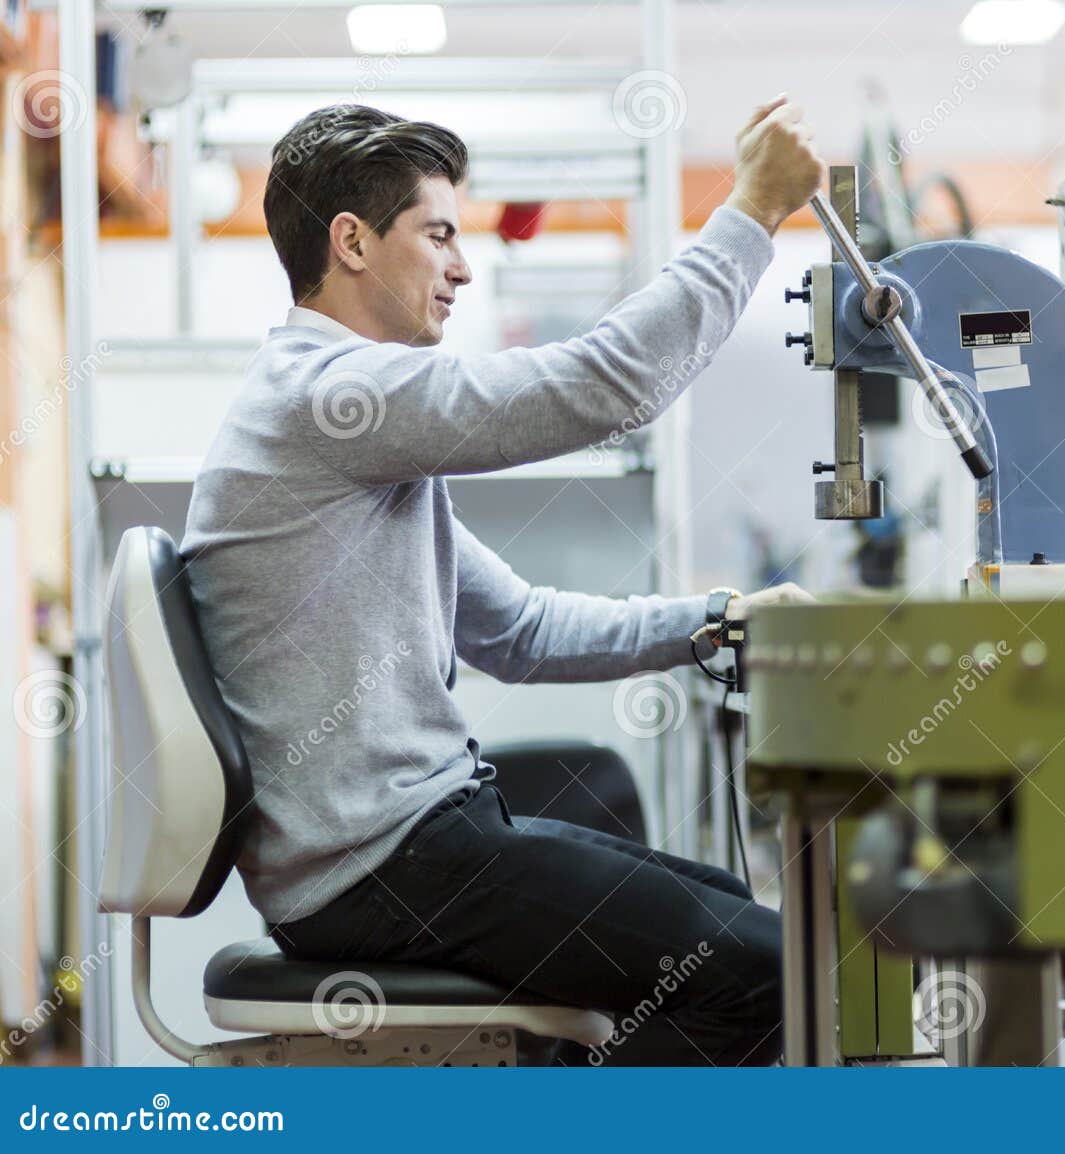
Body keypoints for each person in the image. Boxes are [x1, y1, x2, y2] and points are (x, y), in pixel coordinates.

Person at [179, 96, 824, 1065]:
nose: (463, 266)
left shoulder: (347, 417)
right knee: (768, 971)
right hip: (384, 866)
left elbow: (519, 629)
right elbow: (605, 387)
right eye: (438, 234)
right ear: (351, 242)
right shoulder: (332, 395)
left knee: (731, 912)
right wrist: (753, 212)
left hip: (414, 842)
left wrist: (717, 619)